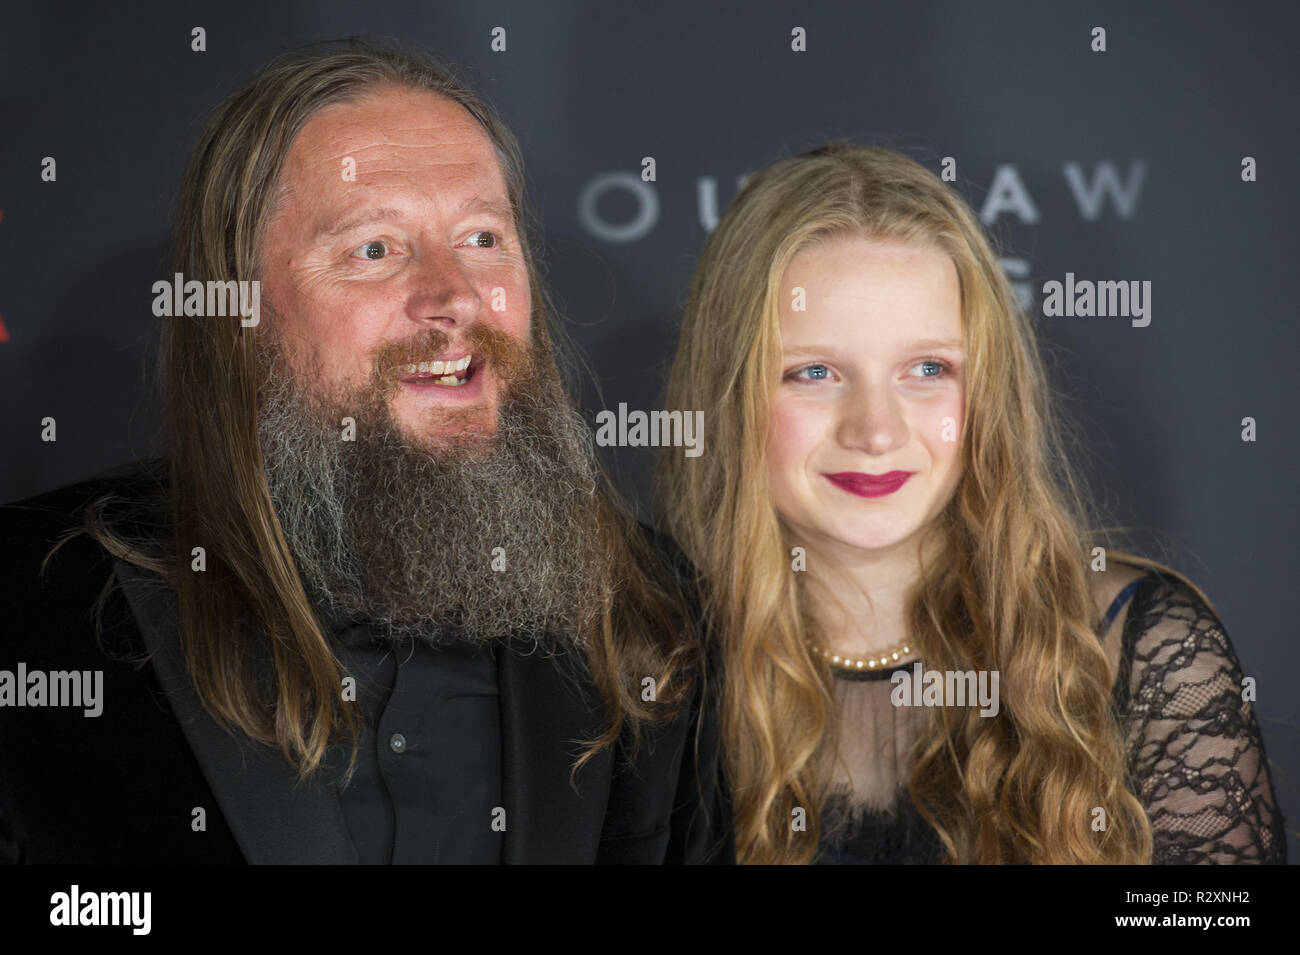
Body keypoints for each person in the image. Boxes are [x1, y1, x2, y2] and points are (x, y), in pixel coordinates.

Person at [0, 41, 730, 864]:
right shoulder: (30, 609)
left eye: (483, 237)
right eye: (374, 249)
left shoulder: (652, 615)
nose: (452, 295)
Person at [657, 142, 1286, 864]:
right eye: (814, 371)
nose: (876, 430)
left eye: (927, 369)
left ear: (986, 391)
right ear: (729, 393)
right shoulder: (654, 670)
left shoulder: (1142, 649)